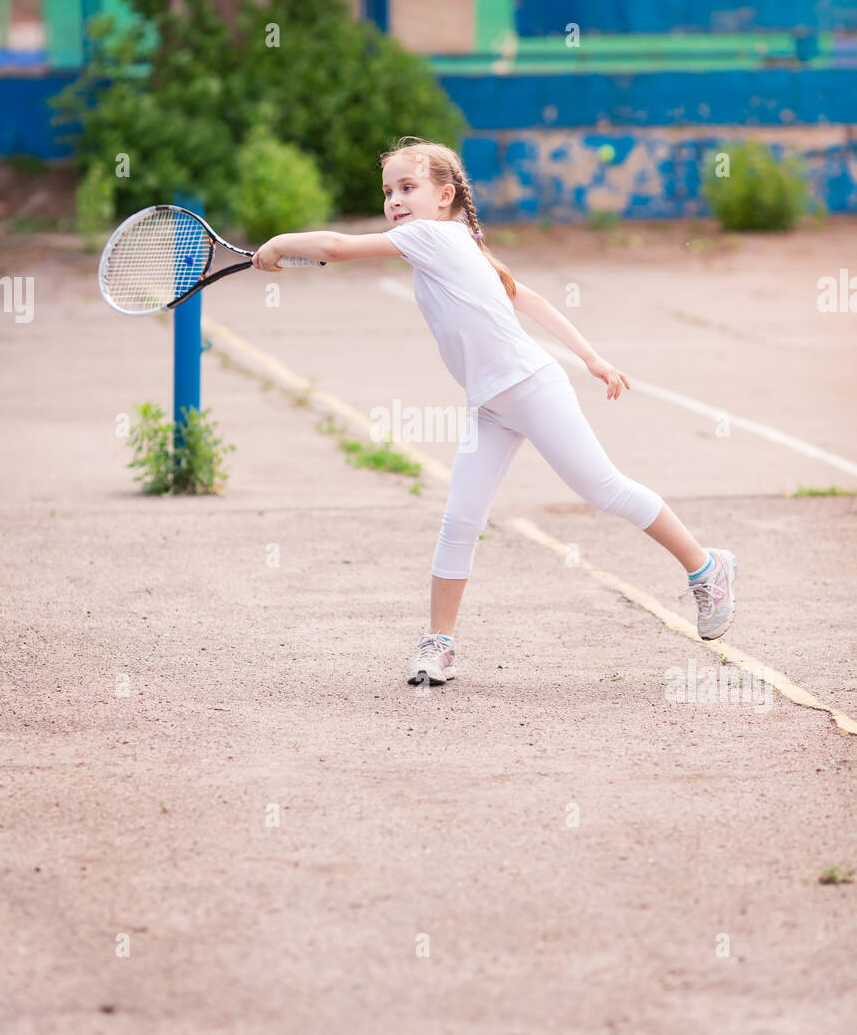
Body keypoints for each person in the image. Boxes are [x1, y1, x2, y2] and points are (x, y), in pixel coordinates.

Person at [252, 136, 737, 686]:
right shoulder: (456, 243)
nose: (394, 200)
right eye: (388, 191)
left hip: (531, 388)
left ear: (445, 195)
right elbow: (527, 297)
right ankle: (439, 645)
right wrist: (591, 357)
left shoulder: (432, 238)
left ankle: (707, 566)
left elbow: (336, 248)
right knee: (460, 519)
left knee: (605, 490)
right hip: (490, 405)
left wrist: (277, 243)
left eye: (407, 187)